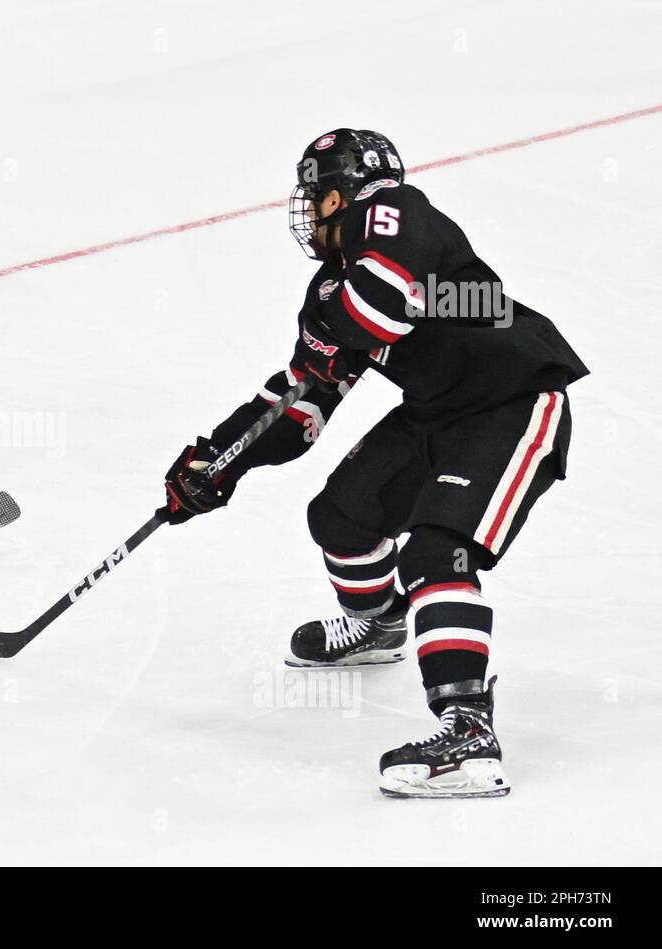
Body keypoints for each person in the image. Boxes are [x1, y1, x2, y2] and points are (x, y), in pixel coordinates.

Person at [161, 128, 588, 798]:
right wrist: (220, 459)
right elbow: (301, 406)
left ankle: (468, 727)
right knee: (340, 517)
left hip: (511, 403)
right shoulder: (327, 292)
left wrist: (339, 341)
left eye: (318, 194)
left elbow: (383, 306)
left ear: (346, 191)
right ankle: (381, 621)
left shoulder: (392, 210)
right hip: (437, 411)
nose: (312, 210)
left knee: (434, 554)